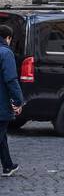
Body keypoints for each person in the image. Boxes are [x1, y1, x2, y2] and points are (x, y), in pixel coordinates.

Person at [0, 24, 24, 177]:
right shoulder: (5, 53)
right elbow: (11, 80)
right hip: (0, 104)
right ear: (8, 38)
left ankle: (8, 165)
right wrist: (18, 100)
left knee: (2, 135)